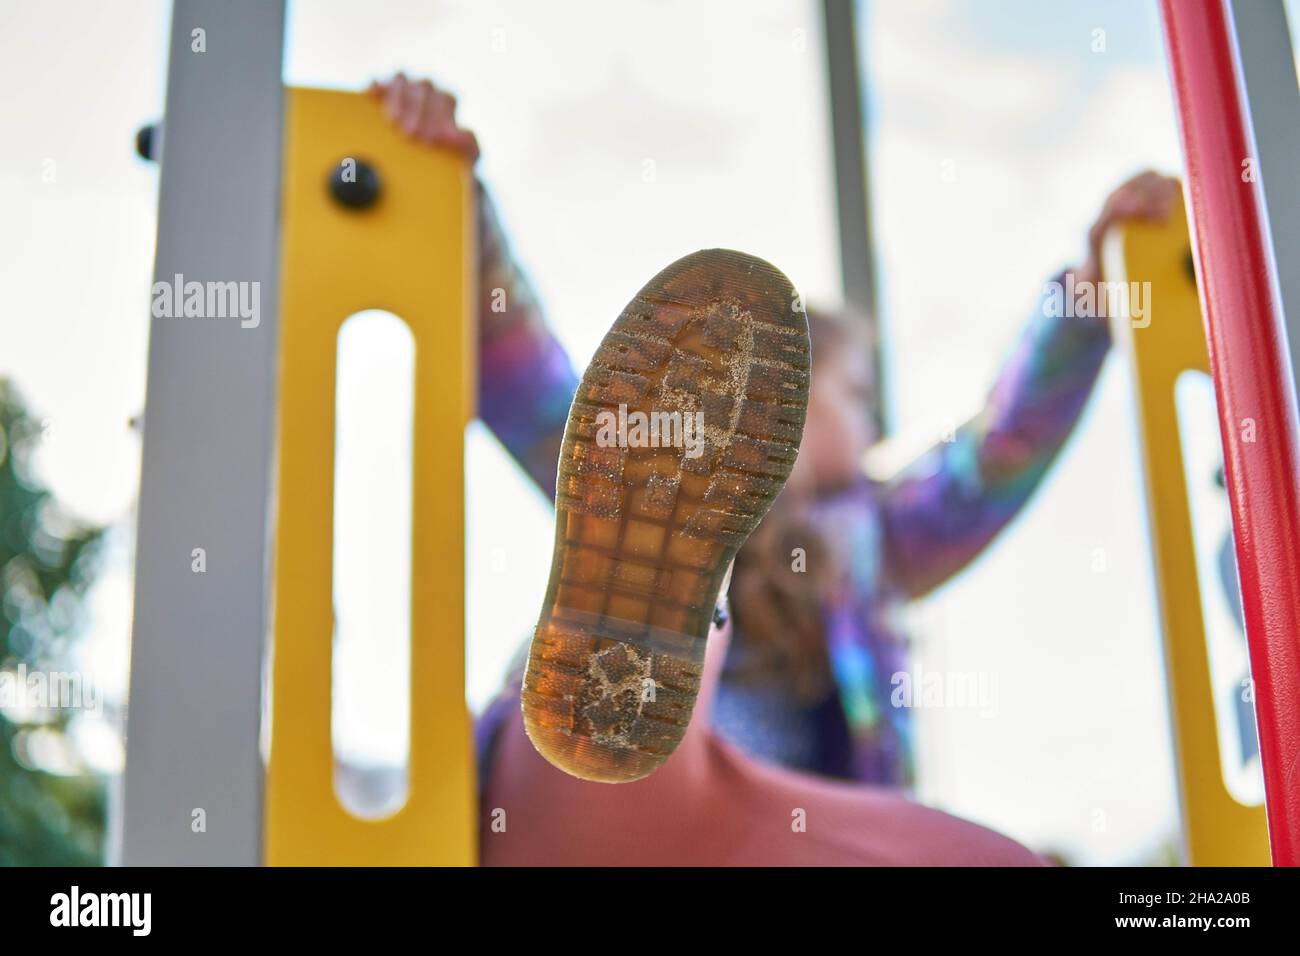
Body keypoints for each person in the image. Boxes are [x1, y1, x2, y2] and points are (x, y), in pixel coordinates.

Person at [368, 74, 1180, 792]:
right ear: (781, 393)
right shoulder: (631, 464)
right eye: (857, 391)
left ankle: (671, 642)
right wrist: (458, 207)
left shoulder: (871, 541)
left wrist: (1084, 305)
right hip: (623, 799)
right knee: (651, 543)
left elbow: (1000, 452)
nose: (875, 422)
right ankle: (667, 639)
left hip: (770, 822)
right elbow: (520, 371)